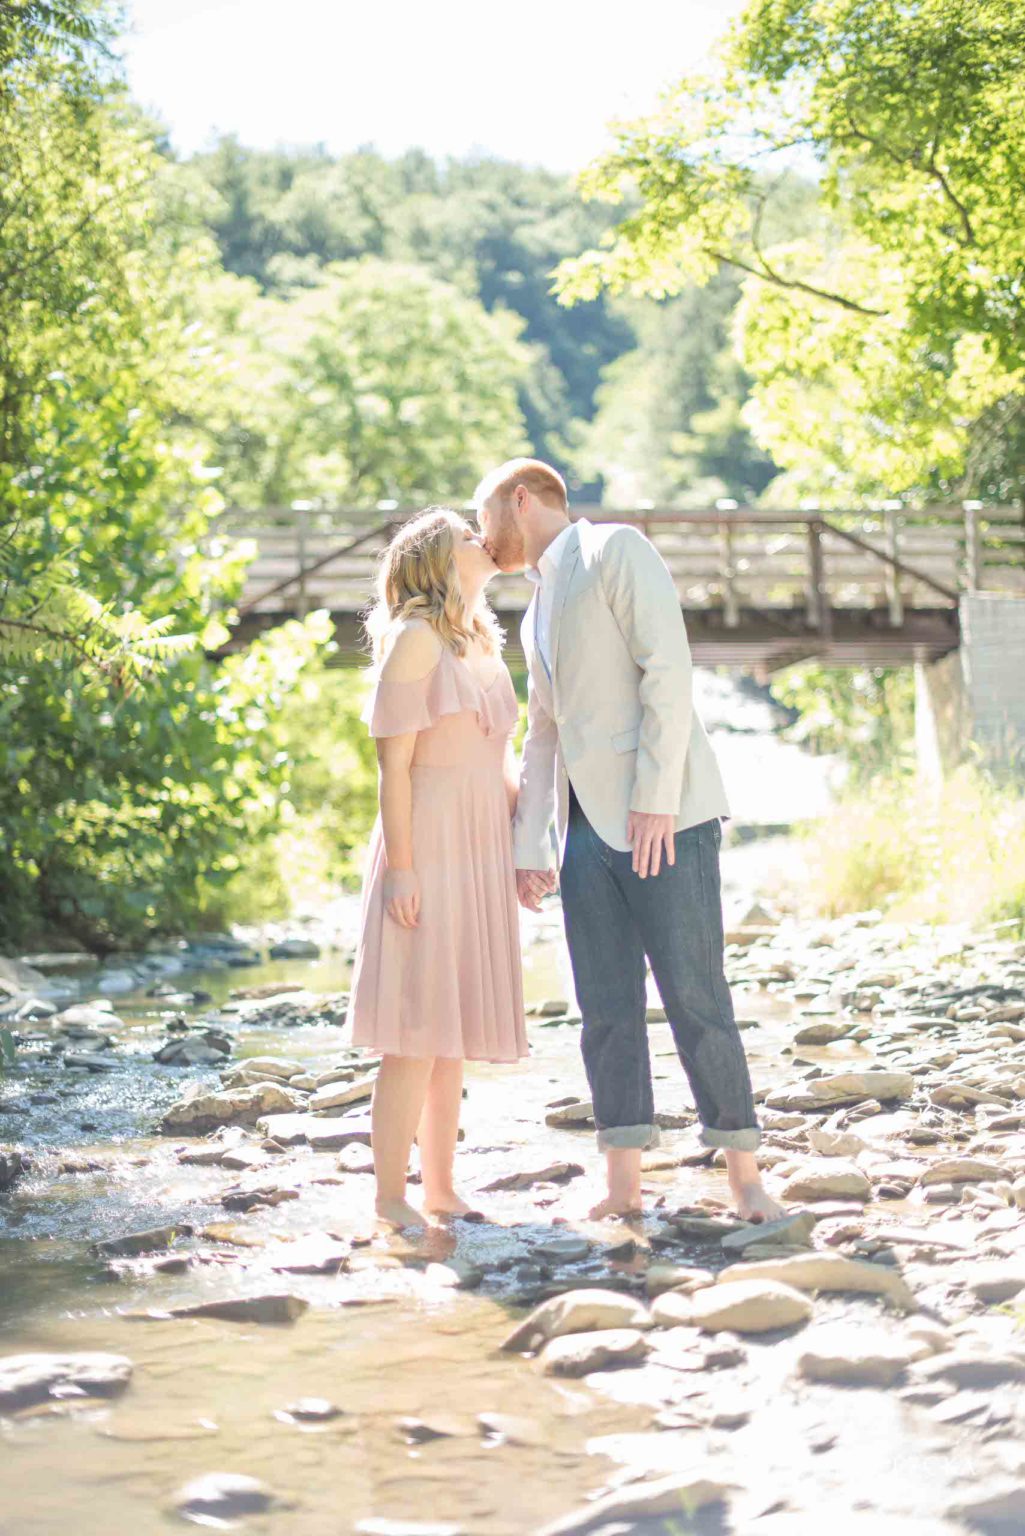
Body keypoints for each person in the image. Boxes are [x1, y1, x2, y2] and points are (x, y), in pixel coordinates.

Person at [475, 459, 784, 1223]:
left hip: (667, 820)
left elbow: (666, 673)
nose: (484, 541)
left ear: (522, 499)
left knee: (695, 995)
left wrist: (655, 800)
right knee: (604, 1006)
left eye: (486, 522)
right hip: (582, 836)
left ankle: (743, 1174)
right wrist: (528, 847)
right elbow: (543, 735)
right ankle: (622, 1184)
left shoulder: (615, 550)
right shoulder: (532, 612)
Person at [348, 508, 527, 1230]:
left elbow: (497, 756)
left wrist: (526, 847)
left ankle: (441, 1189)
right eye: (465, 534)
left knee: (448, 1032)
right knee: (415, 1030)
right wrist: (402, 868)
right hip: (426, 837)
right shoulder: (415, 639)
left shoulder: (479, 636)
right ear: (434, 559)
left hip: (481, 840)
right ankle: (389, 1197)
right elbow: (393, 768)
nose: (481, 539)